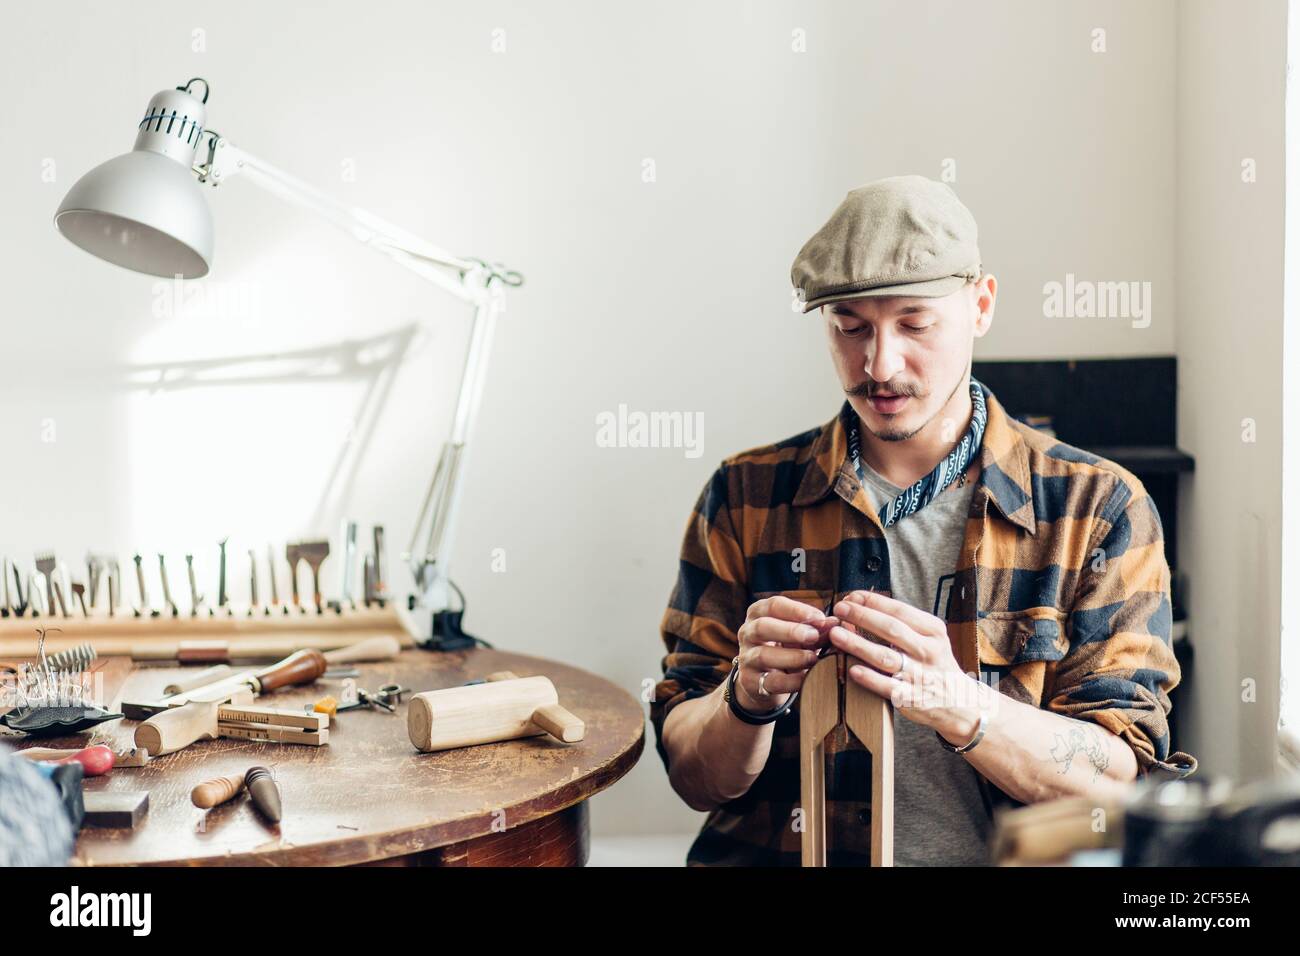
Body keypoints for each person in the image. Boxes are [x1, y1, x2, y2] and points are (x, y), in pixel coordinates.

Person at [650, 175, 1197, 866]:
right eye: (850, 327)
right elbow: (694, 779)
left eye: (915, 323)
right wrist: (746, 699)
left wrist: (961, 705)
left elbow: (1115, 784)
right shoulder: (744, 496)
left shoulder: (1098, 508)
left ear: (981, 305)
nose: (880, 364)